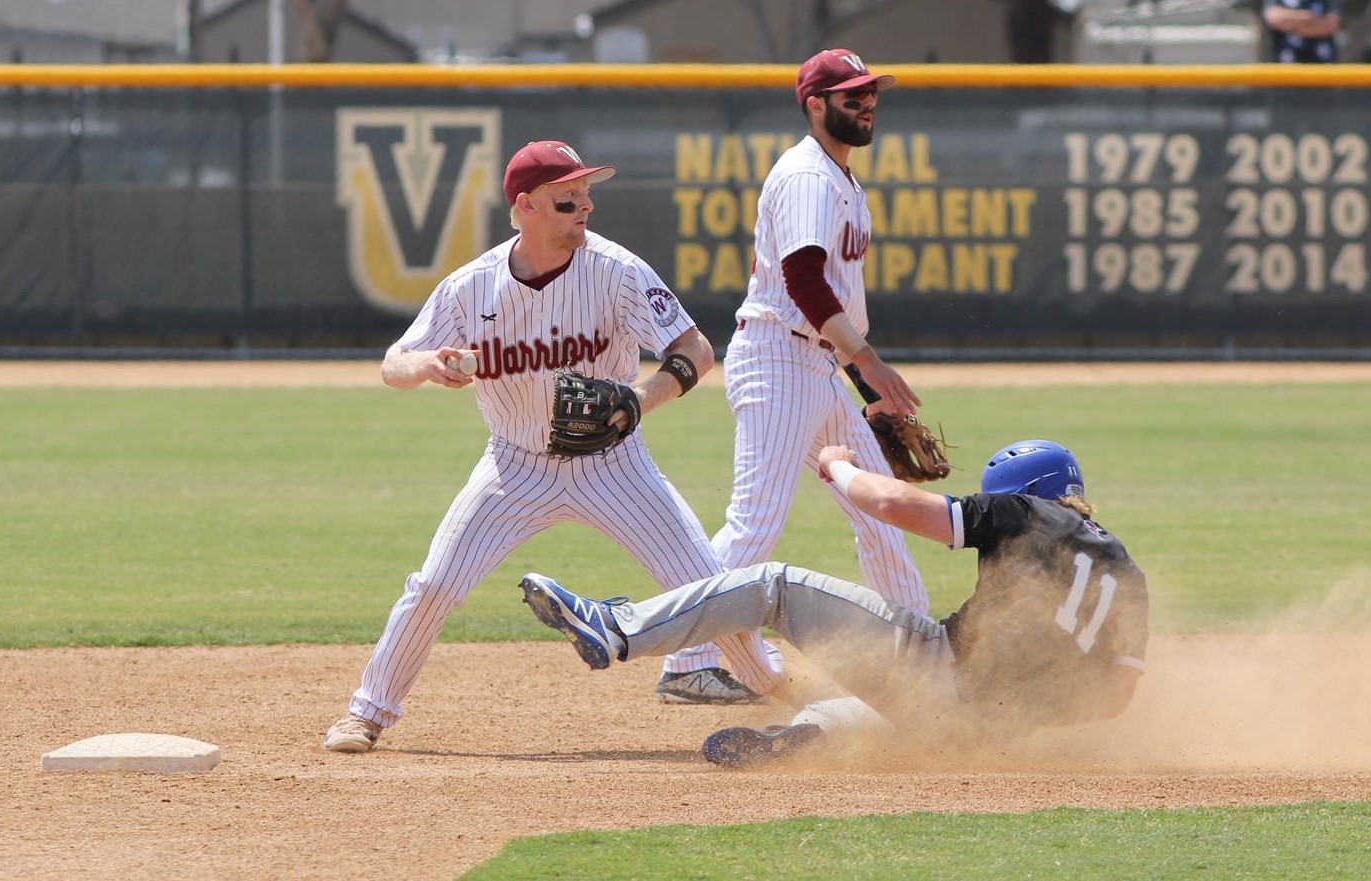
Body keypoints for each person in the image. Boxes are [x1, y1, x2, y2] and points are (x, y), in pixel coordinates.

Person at [322, 140, 786, 753]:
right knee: (434, 585)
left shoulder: (617, 270)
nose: (585, 206)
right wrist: (426, 365)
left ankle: (788, 694)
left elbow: (694, 350)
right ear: (525, 206)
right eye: (568, 197)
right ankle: (368, 712)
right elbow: (393, 363)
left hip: (614, 464)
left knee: (709, 590)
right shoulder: (472, 287)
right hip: (514, 468)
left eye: (587, 193)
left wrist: (639, 401)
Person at [520, 439, 1149, 767]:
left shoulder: (1024, 511)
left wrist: (838, 467)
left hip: (936, 673)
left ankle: (617, 627)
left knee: (772, 585)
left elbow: (893, 504)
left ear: (1023, 490)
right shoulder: (1129, 576)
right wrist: (1017, 712)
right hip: (982, 731)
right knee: (860, 712)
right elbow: (1115, 698)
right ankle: (801, 738)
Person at [706, 47, 930, 645]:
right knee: (754, 524)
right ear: (815, 104)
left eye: (871, 93)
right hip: (778, 360)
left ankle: (921, 653)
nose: (868, 103)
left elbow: (829, 300)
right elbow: (802, 279)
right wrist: (868, 362)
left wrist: (862, 383)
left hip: (816, 363)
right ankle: (686, 659)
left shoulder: (842, 178)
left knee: (882, 511)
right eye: (853, 96)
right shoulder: (808, 175)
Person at [1262, 0, 1340, 64]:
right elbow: (1274, 18)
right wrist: (1307, 18)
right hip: (1284, 65)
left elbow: (1330, 25)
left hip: (1321, 64)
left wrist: (1290, 24)